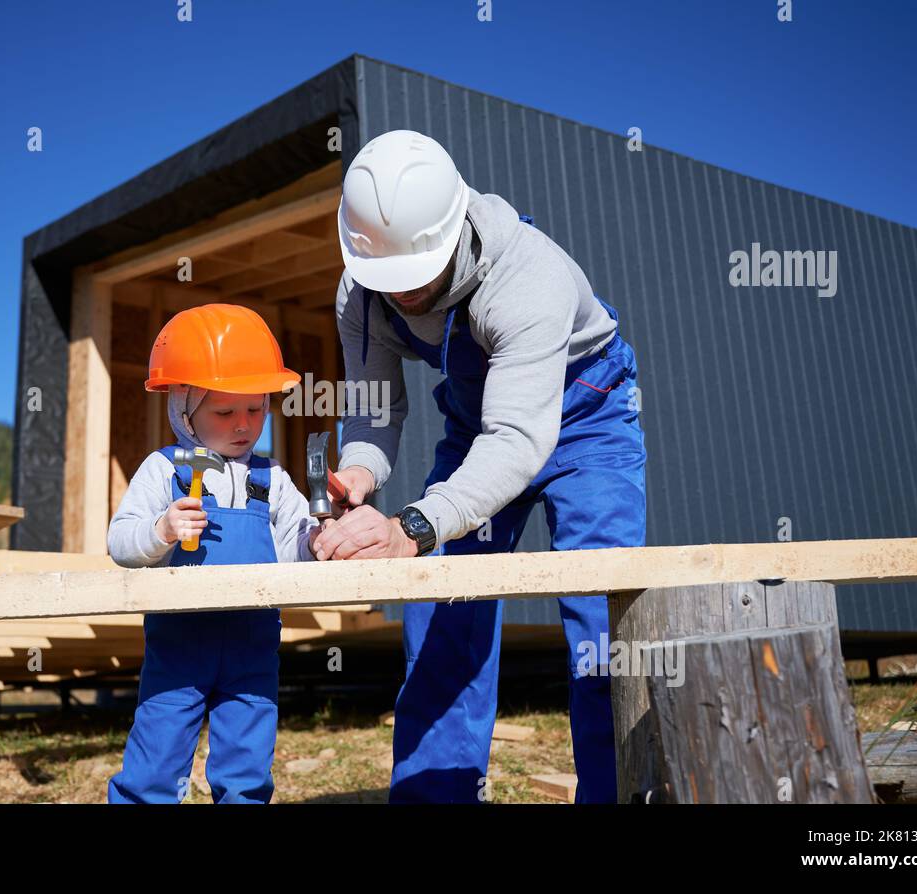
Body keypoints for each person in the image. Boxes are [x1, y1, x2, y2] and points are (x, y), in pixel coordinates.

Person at [313, 129, 647, 804]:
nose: (401, 295)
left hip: (587, 419)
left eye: (417, 279)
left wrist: (413, 525)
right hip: (476, 430)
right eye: (388, 281)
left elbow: (518, 443)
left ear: (452, 231)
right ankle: (435, 795)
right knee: (444, 604)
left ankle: (617, 793)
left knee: (602, 616)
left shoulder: (530, 277)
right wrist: (359, 474)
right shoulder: (360, 289)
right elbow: (376, 412)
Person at [106, 303, 321, 804]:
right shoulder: (163, 470)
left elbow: (296, 553)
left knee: (248, 759)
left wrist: (319, 543)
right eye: (225, 412)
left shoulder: (274, 480)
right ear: (184, 410)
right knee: (158, 753)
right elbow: (120, 541)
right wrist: (161, 529)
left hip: (252, 642)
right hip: (181, 644)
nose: (244, 424)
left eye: (256, 408)